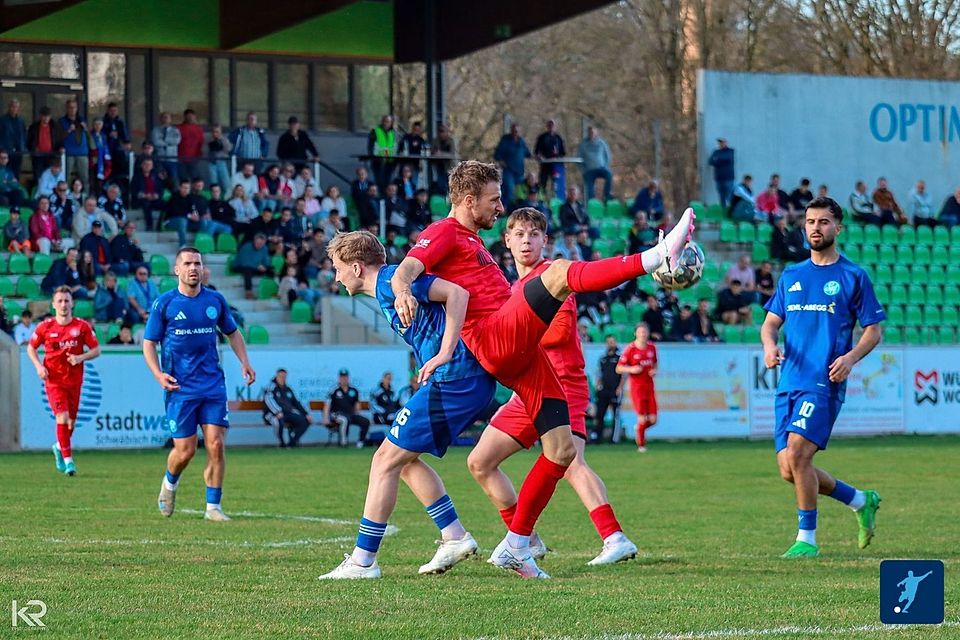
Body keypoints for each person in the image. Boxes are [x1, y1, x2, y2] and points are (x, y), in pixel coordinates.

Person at [390, 160, 694, 578]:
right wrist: (403, 288)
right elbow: (406, 268)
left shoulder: (472, 239)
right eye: (494, 200)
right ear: (467, 200)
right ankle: (657, 256)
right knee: (558, 272)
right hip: (498, 339)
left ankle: (517, 545)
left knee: (562, 451)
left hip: (524, 353)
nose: (500, 208)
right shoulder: (443, 231)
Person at [319, 231, 495, 579]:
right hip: (456, 380)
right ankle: (454, 535)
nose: (336, 277)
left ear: (356, 267)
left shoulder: (390, 281)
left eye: (338, 269)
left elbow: (457, 293)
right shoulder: (390, 285)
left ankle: (362, 561)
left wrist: (445, 353)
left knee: (383, 460)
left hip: (456, 380)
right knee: (402, 459)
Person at [467, 208, 639, 566]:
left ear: (546, 241)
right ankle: (525, 539)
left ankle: (614, 537)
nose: (526, 241)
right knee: (480, 462)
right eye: (519, 235)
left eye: (534, 235)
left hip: (563, 384)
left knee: (571, 461)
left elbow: (559, 333)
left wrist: (512, 339)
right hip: (527, 391)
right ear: (507, 241)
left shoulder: (553, 278)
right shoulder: (512, 287)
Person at [760, 196, 884, 558]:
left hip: (824, 382)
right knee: (790, 469)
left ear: (838, 228)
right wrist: (769, 347)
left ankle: (807, 539)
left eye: (824, 222)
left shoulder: (853, 276)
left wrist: (850, 358)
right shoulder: (793, 275)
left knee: (798, 456)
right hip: (789, 382)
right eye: (811, 222)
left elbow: (873, 331)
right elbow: (770, 325)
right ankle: (861, 500)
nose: (816, 228)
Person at [145, 247, 255, 522]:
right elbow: (149, 343)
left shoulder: (215, 301)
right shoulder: (165, 304)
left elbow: (233, 333)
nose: (194, 268)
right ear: (177, 270)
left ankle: (213, 507)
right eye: (188, 263)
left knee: (216, 444)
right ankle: (169, 483)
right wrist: (158, 375)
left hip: (212, 385)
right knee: (186, 450)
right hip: (180, 388)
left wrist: (245, 362)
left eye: (198, 263)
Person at [27, 286, 101, 476]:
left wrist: (80, 358)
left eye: (66, 300)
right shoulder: (45, 327)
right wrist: (38, 366)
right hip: (54, 380)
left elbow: (96, 350)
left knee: (71, 423)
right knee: (62, 417)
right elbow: (31, 348)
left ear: (72, 303)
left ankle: (59, 447)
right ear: (53, 304)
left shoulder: (82, 326)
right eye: (59, 301)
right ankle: (69, 461)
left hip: (75, 381)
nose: (63, 304)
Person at [616, 323, 658, 452]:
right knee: (641, 418)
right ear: (635, 334)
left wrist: (654, 371)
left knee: (653, 419)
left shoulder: (652, 347)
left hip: (649, 386)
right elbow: (618, 368)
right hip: (637, 388)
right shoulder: (630, 349)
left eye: (644, 332)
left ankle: (639, 429)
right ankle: (641, 445)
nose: (643, 334)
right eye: (640, 332)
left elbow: (655, 364)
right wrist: (632, 369)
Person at [263, 368, 312, 448]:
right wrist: (277, 411)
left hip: (287, 413)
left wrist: (306, 414)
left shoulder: (288, 389)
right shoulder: (271, 387)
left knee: (305, 421)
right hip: (272, 414)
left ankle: (292, 442)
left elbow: (296, 403)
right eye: (281, 376)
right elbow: (268, 400)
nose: (283, 378)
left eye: (284, 377)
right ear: (276, 376)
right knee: (278, 421)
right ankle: (282, 443)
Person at [322, 369, 372, 448]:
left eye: (345, 377)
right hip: (336, 414)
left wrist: (358, 414)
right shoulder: (334, 390)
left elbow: (357, 405)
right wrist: (325, 418)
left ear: (348, 378)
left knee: (365, 421)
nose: (344, 379)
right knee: (345, 420)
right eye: (342, 377)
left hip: (350, 414)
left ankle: (361, 442)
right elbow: (327, 405)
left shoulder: (353, 390)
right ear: (339, 378)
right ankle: (343, 442)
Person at [593, 335, 623, 442]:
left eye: (612, 342)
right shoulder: (603, 358)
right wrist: (598, 385)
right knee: (600, 414)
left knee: (615, 414)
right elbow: (599, 373)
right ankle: (597, 437)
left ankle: (614, 439)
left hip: (615, 389)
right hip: (604, 389)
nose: (611, 344)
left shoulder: (620, 358)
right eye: (609, 342)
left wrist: (620, 387)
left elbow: (624, 375)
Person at [493, 123, 531, 208]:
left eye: (517, 131)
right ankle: (506, 209)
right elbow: (497, 154)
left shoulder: (521, 142)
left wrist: (536, 156)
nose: (515, 133)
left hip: (520, 171)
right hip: (509, 170)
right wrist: (501, 161)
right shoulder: (505, 140)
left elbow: (528, 153)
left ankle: (517, 208)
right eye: (514, 131)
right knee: (509, 190)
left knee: (519, 191)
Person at [27, 106, 65, 180]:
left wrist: (61, 147)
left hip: (52, 156)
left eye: (48, 116)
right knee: (38, 177)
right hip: (38, 157)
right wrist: (33, 148)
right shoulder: (34, 127)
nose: (46, 118)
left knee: (50, 177)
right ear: (41, 116)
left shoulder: (55, 126)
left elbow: (60, 140)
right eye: (44, 116)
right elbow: (29, 141)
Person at [578, 126, 613, 202]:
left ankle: (607, 196)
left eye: (593, 132)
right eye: (590, 132)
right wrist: (583, 170)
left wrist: (605, 166)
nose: (591, 134)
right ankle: (591, 201)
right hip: (589, 170)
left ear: (596, 133)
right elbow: (579, 158)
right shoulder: (583, 144)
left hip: (601, 168)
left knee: (609, 174)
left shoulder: (602, 143)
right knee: (589, 186)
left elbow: (608, 156)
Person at [534, 119, 566, 198]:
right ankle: (542, 199)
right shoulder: (542, 137)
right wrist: (539, 156)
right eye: (549, 125)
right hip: (545, 165)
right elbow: (536, 151)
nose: (551, 127)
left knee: (556, 185)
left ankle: (556, 200)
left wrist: (557, 154)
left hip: (556, 166)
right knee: (542, 184)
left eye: (553, 125)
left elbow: (563, 153)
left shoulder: (558, 138)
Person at [234, 234, 273, 299]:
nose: (259, 245)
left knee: (271, 270)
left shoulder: (264, 248)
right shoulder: (246, 247)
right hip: (240, 266)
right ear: (254, 241)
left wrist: (264, 267)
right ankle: (248, 292)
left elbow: (266, 261)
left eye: (261, 244)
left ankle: (271, 292)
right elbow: (244, 262)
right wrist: (257, 266)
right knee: (247, 270)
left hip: (255, 267)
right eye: (258, 243)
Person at [368, 115, 398, 190]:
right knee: (379, 182)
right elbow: (371, 146)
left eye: (388, 122)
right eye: (385, 121)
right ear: (382, 121)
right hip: (378, 161)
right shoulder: (375, 131)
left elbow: (395, 146)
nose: (386, 123)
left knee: (388, 182)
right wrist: (373, 157)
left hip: (390, 161)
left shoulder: (393, 132)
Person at [150, 112, 181, 186]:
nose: (165, 119)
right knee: (159, 178)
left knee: (173, 179)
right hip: (160, 159)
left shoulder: (175, 130)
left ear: (170, 119)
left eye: (167, 117)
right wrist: (169, 143)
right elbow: (155, 142)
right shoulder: (155, 130)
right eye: (164, 117)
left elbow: (176, 141)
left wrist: (163, 139)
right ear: (160, 119)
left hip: (172, 159)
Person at [0, 98, 27, 177]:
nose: (14, 108)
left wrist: (24, 147)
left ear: (18, 108)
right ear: (9, 107)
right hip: (6, 151)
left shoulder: (21, 120)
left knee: (17, 173)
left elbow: (24, 134)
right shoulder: (2, 120)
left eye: (16, 107)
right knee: (5, 172)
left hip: (18, 152)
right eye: (12, 106)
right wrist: (1, 148)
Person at [708, 138, 735, 208]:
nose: (721, 144)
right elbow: (710, 161)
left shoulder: (730, 151)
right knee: (721, 197)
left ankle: (732, 211)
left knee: (729, 196)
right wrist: (718, 160)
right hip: (719, 178)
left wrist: (717, 159)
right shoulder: (716, 152)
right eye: (720, 142)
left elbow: (727, 159)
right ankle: (723, 211)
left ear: (726, 143)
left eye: (722, 142)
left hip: (728, 178)